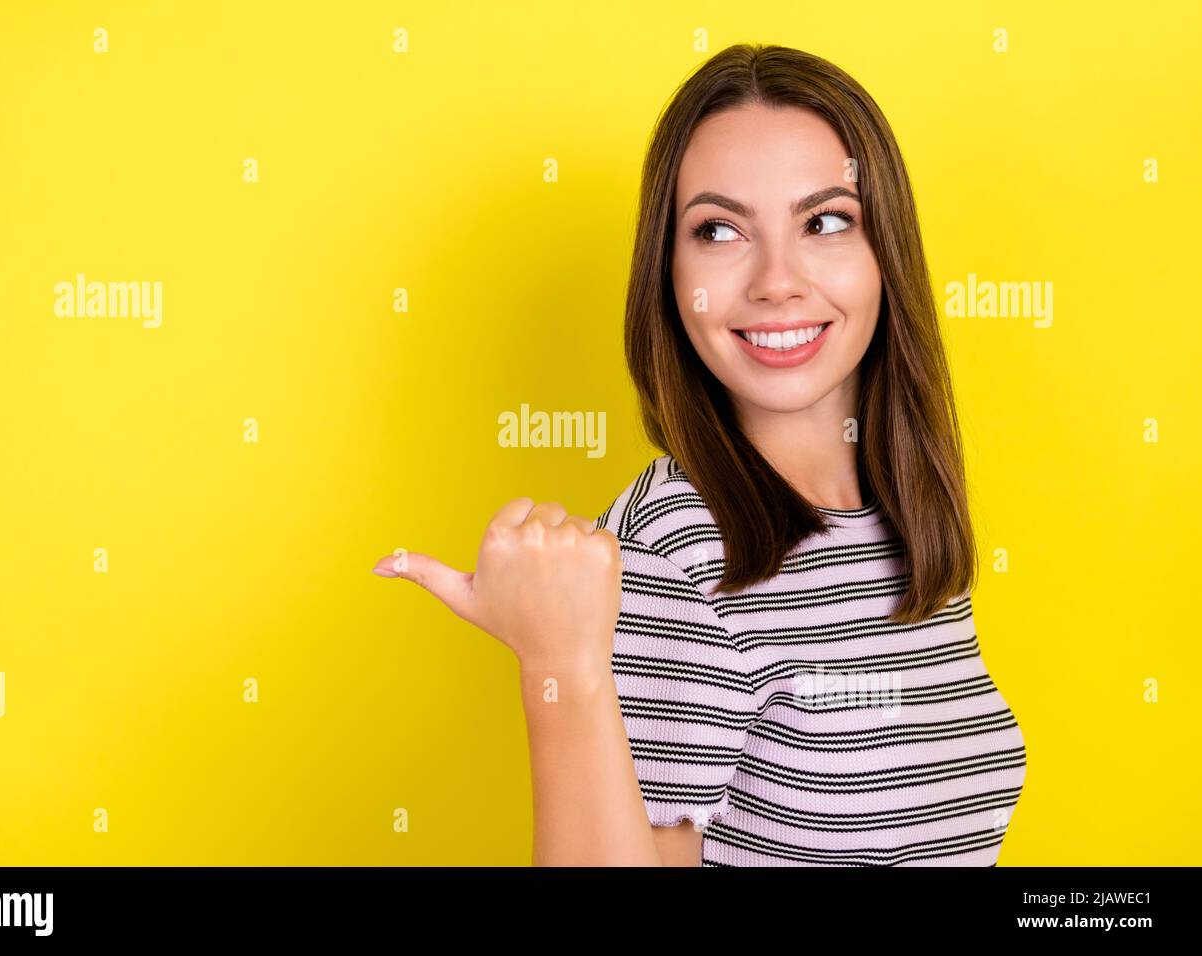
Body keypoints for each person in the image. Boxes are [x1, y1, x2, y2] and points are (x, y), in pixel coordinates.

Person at [372, 43, 1026, 866]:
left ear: (884, 252)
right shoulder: (675, 550)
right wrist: (561, 662)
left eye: (825, 221)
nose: (776, 281)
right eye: (720, 230)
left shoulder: (904, 514)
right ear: (670, 275)